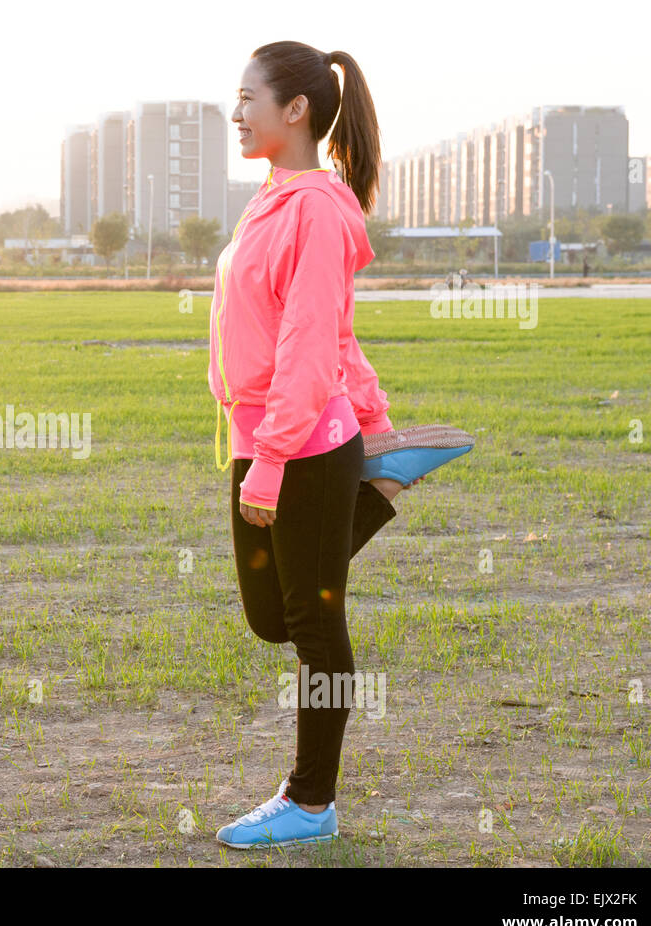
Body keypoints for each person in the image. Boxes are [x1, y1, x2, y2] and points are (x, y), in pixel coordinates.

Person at [210, 41, 472, 849]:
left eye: (248, 96)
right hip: (265, 435)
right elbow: (338, 333)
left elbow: (312, 343)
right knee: (270, 615)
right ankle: (385, 482)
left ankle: (311, 802)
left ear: (295, 111)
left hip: (307, 446)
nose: (236, 109)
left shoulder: (319, 209)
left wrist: (281, 460)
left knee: (313, 620)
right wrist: (378, 415)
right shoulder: (273, 198)